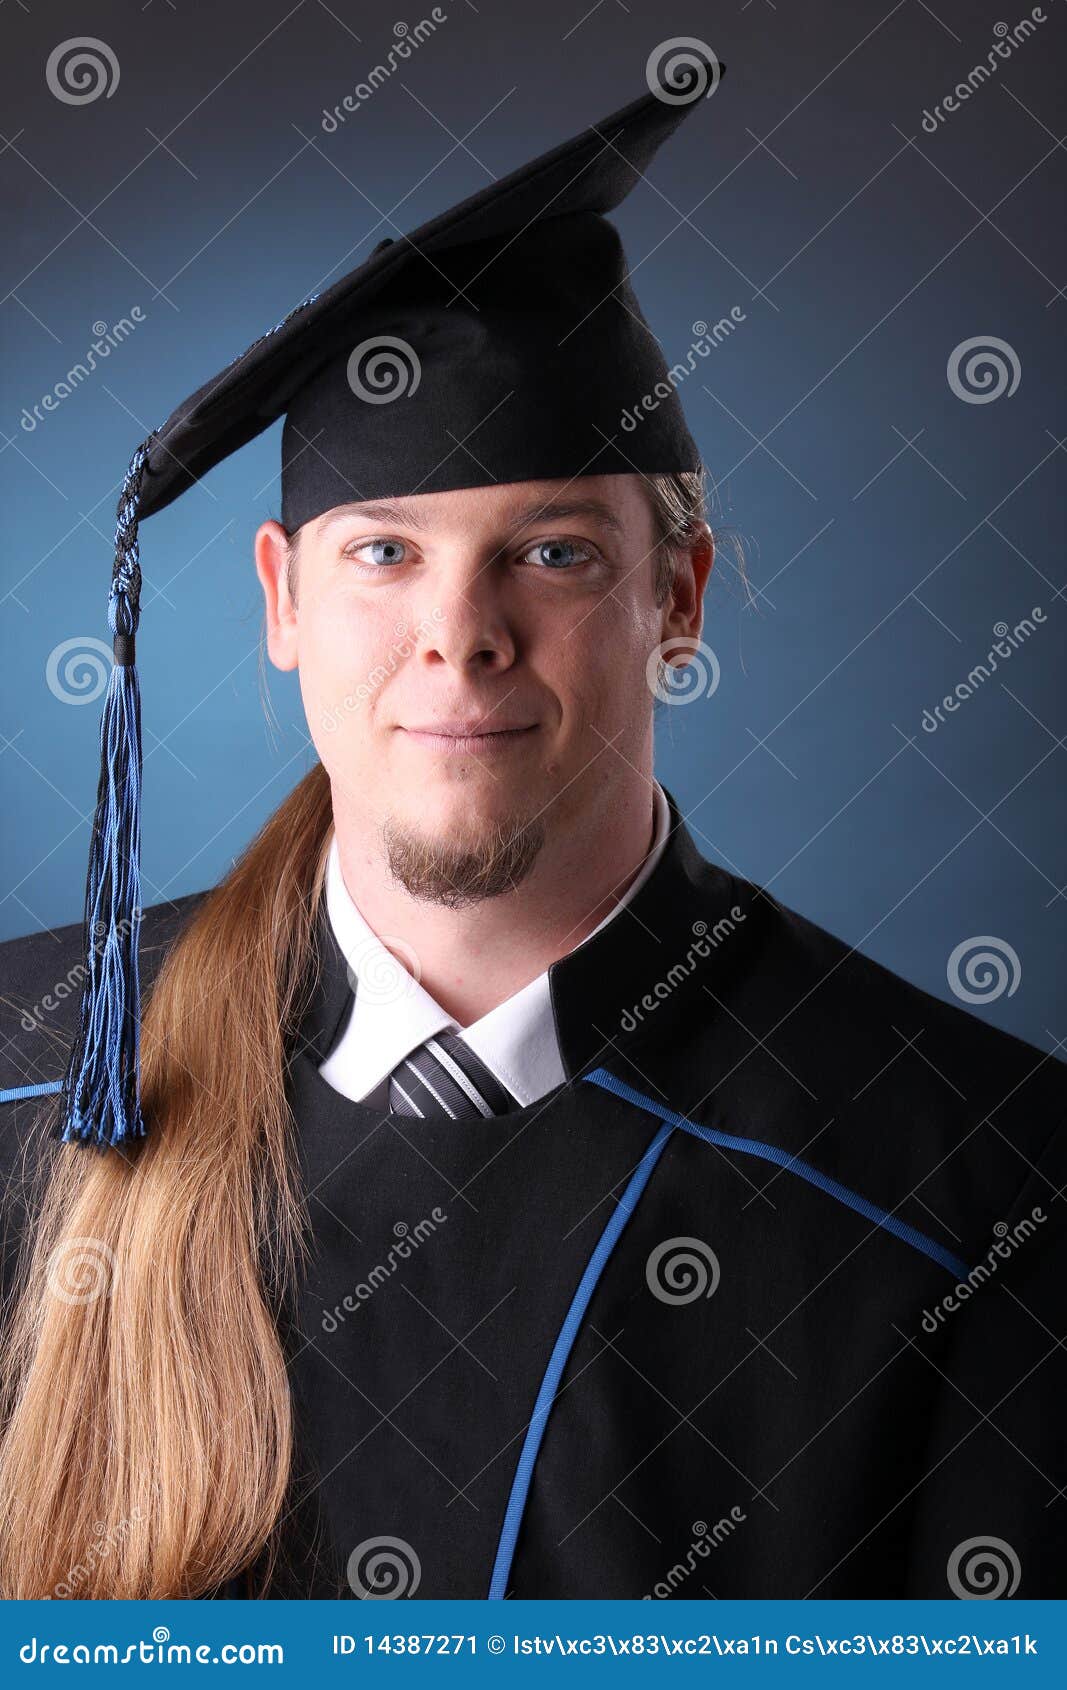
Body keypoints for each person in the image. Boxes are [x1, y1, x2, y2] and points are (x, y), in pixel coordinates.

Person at [1, 55, 1064, 1603]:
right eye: (383, 552)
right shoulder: (32, 1082)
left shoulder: (972, 1188)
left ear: (677, 600)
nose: (461, 635)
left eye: (553, 551)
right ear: (283, 602)